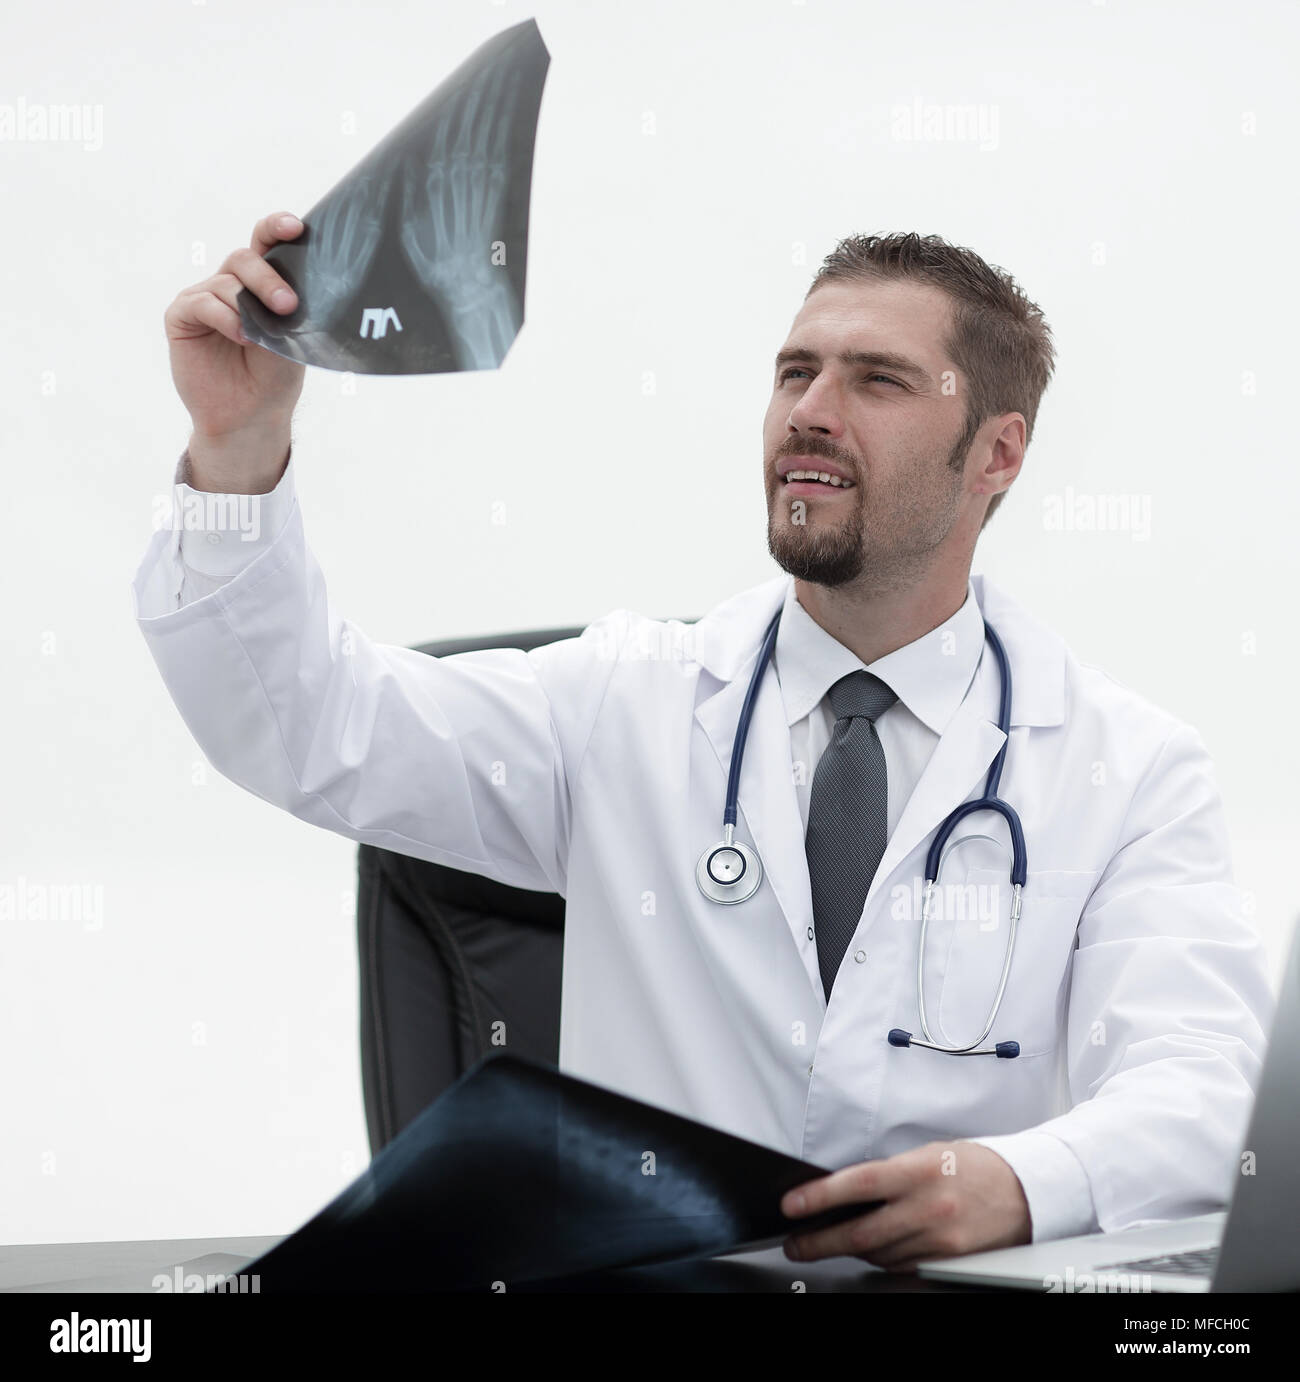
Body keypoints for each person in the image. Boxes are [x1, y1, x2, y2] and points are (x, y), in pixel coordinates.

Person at [133, 218, 1273, 1271]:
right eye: (794, 371)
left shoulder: (1125, 769)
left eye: (874, 379)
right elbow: (310, 726)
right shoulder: (618, 699)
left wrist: (1021, 1179)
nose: (810, 411)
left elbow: (1208, 1083)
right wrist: (238, 441)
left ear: (997, 453)